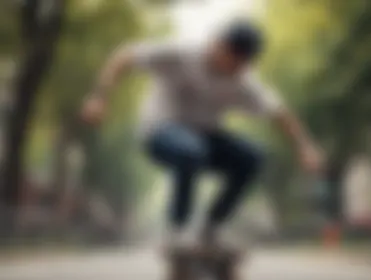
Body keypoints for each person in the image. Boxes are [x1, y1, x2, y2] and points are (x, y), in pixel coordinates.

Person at [81, 21, 324, 250]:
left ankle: (212, 226)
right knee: (191, 150)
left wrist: (305, 147)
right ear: (218, 45)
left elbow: (280, 114)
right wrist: (99, 97)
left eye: (242, 65)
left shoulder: (243, 81)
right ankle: (178, 228)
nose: (235, 69)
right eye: (232, 60)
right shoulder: (181, 53)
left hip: (206, 140)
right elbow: (124, 56)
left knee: (253, 157)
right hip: (159, 133)